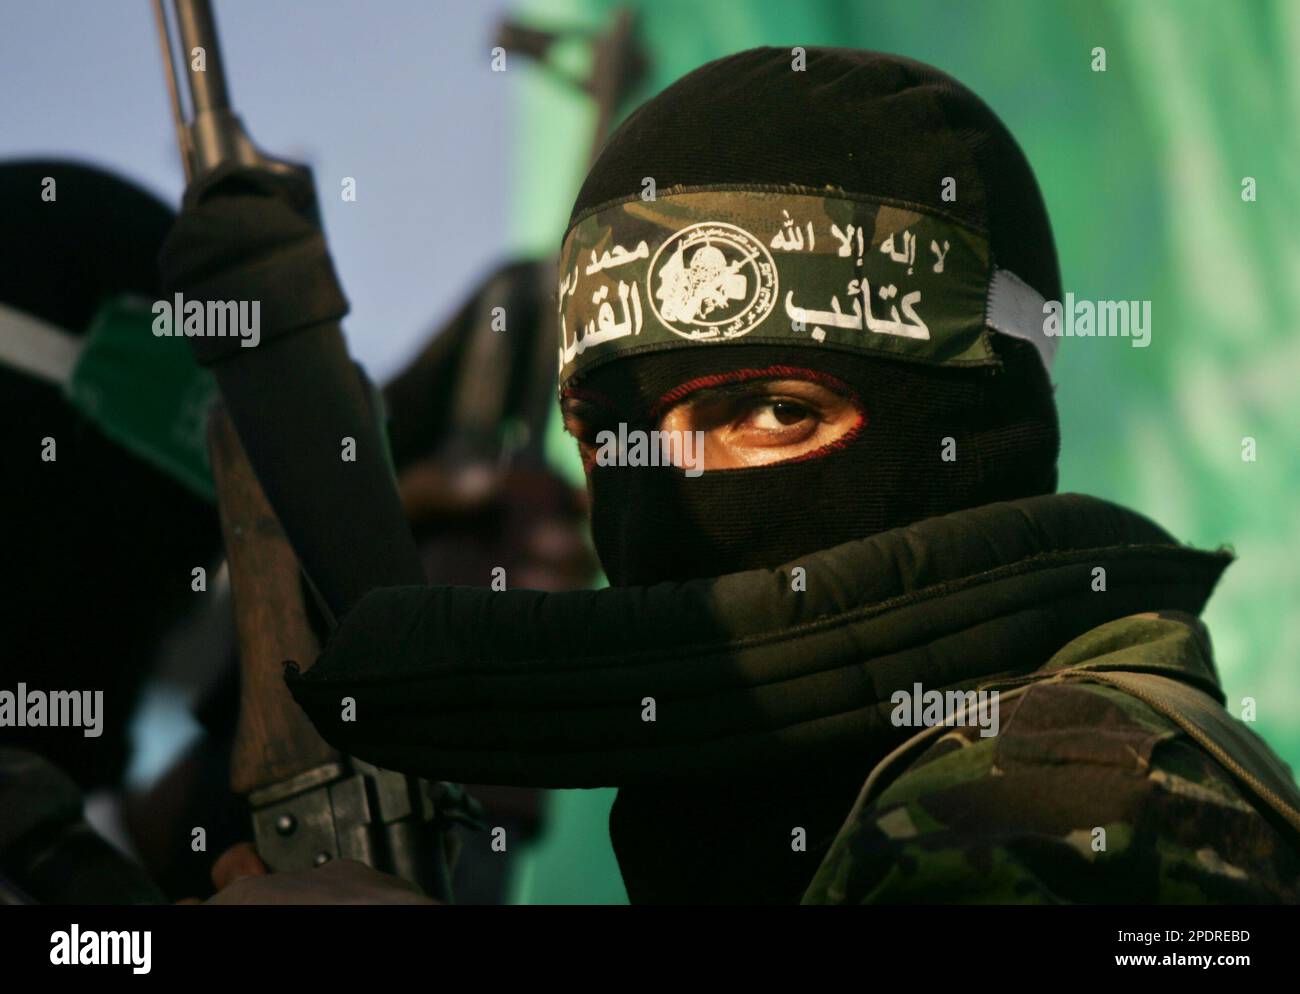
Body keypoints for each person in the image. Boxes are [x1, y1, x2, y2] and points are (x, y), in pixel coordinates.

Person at [172, 49, 1300, 904]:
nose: (668, 502)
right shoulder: (757, 823)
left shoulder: (1080, 797)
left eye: (768, 411)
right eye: (612, 434)